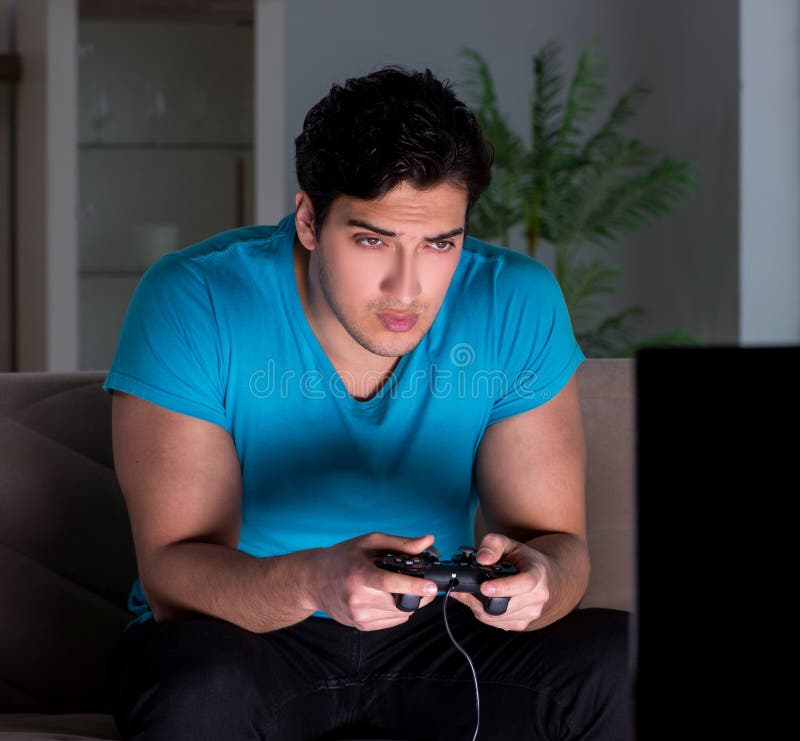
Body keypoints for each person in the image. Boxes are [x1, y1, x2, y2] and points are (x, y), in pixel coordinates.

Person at [104, 65, 631, 740]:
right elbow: (173, 574)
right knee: (198, 683)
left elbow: (560, 546)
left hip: (442, 639)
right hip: (249, 636)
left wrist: (539, 582)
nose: (407, 288)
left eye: (440, 243)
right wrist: (315, 583)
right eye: (373, 239)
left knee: (621, 658)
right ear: (308, 219)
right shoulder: (193, 299)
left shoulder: (516, 301)